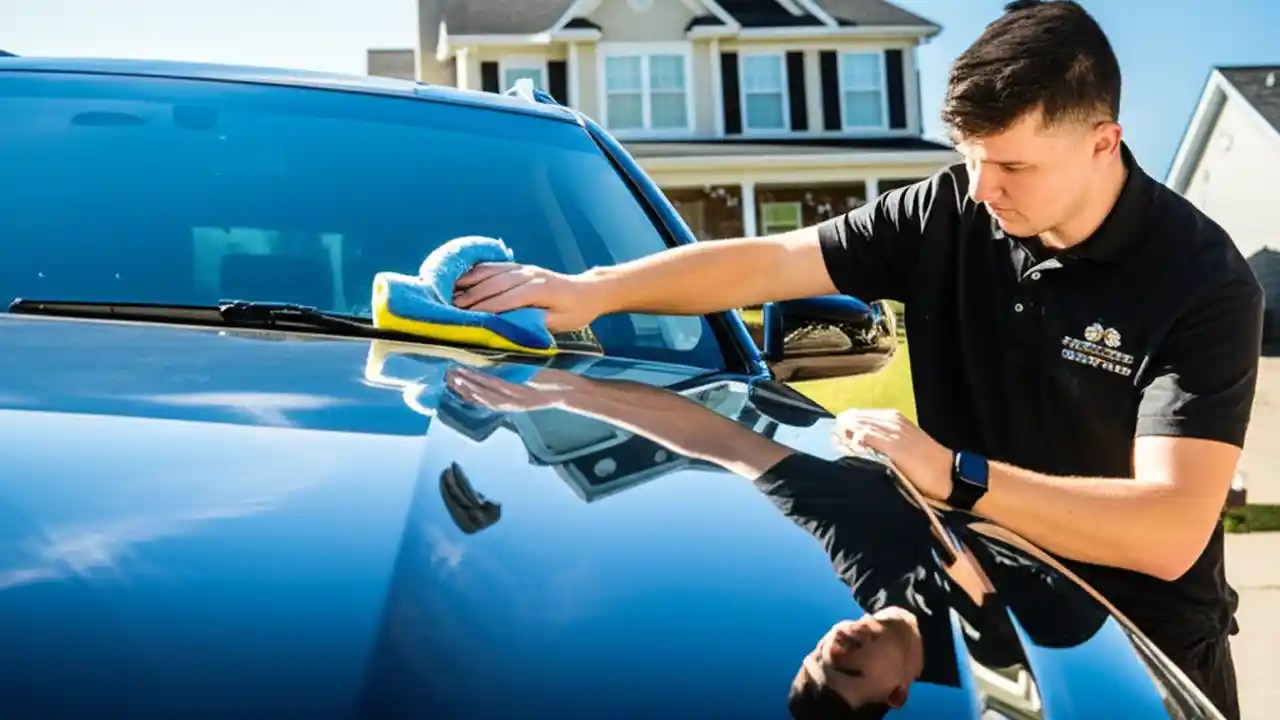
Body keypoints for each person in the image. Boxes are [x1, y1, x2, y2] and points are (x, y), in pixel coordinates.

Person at [452, 2, 1263, 716]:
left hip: (1132, 659)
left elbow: (1168, 530)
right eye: (971, 157)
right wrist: (589, 291)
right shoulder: (947, 209)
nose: (982, 189)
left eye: (1013, 165)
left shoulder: (1198, 280)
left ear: (1103, 143)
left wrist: (956, 474)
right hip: (982, 632)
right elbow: (768, 263)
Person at [446, 365, 1108, 718]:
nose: (836, 644)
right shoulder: (1000, 658)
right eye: (846, 670)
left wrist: (572, 390)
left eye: (818, 656)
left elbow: (721, 442)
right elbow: (1096, 551)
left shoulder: (864, 561)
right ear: (898, 695)